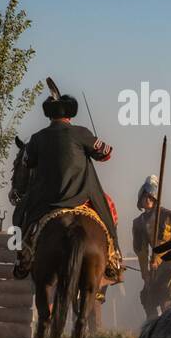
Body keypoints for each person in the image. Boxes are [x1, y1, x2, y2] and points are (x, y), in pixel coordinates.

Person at [13, 86, 123, 282]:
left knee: (19, 216)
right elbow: (106, 153)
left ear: (49, 116)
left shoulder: (38, 138)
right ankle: (114, 257)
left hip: (47, 199)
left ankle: (21, 257)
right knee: (109, 213)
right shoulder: (82, 133)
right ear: (70, 115)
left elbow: (27, 161)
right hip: (82, 194)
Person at [130, 175, 171, 319]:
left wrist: (156, 259)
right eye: (145, 197)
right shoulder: (138, 222)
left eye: (151, 197)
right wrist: (145, 272)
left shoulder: (166, 216)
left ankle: (169, 328)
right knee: (147, 296)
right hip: (154, 263)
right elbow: (141, 249)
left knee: (165, 295)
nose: (148, 200)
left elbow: (165, 241)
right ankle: (152, 327)